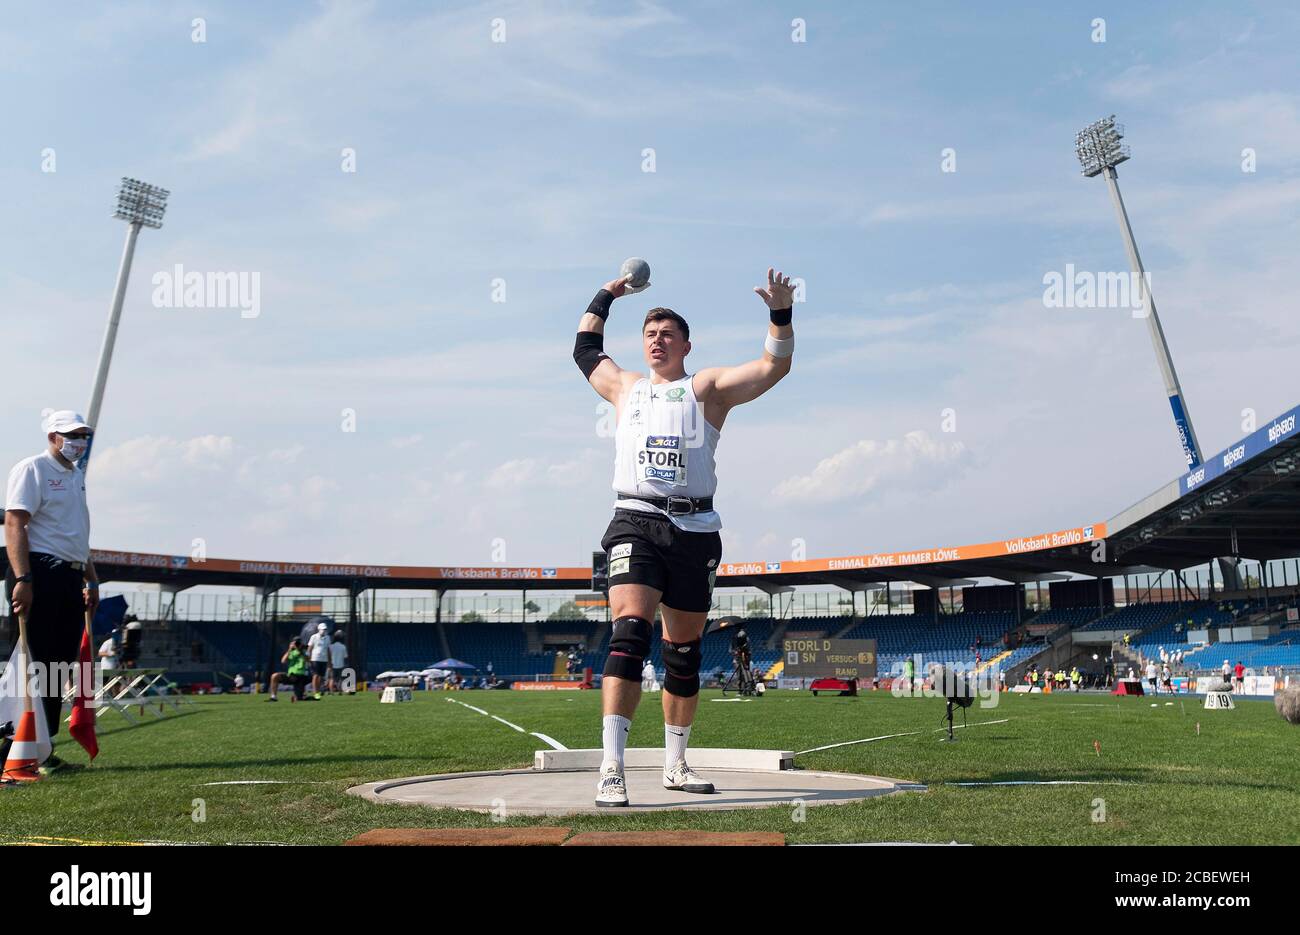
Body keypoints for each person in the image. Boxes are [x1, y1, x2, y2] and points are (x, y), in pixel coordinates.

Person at [575, 265, 795, 806]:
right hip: (636, 519)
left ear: (685, 344)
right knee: (629, 632)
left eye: (667, 334)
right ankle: (612, 767)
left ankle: (675, 764)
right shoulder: (625, 388)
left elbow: (773, 366)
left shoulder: (706, 389)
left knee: (683, 653)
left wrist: (781, 313)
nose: (656, 340)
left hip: (696, 528)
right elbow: (584, 348)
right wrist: (610, 291)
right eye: (649, 334)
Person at [3, 410, 100, 775]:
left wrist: (91, 579)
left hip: (70, 577)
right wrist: (23, 579)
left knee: (58, 665)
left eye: (83, 435)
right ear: (52, 436)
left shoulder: (76, 477)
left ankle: (41, 749)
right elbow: (15, 522)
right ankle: (13, 744)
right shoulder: (32, 469)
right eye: (71, 434)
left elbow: (77, 535)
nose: (79, 441)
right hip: (40, 572)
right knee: (33, 661)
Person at [306, 622, 330, 700]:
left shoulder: (328, 638)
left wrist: (330, 661)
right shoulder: (314, 637)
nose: (324, 631)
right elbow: (309, 648)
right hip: (315, 659)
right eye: (322, 629)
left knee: (321, 676)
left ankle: (318, 691)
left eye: (325, 629)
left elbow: (328, 650)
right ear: (319, 629)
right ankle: (315, 692)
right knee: (315, 675)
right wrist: (308, 659)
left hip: (324, 660)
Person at [328, 630, 349, 694]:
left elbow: (328, 655)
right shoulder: (343, 646)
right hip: (340, 665)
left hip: (332, 665)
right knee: (340, 679)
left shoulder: (331, 646)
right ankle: (340, 691)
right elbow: (345, 656)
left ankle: (331, 692)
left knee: (332, 679)